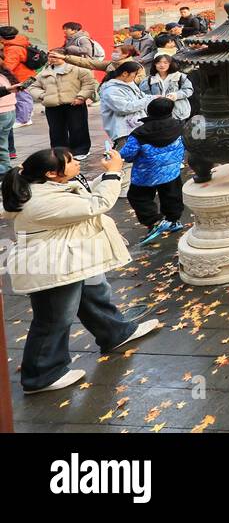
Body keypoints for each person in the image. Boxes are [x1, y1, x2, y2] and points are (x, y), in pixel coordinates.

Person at [1, 147, 162, 393]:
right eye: (70, 161)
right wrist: (114, 174)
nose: (77, 162)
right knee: (54, 317)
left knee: (92, 294)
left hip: (67, 257)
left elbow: (82, 197)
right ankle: (42, 375)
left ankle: (115, 333)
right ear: (52, 173)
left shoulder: (46, 186)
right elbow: (96, 204)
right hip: (50, 265)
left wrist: (106, 176)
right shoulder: (42, 201)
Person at [120, 97, 188, 245]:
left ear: (150, 111)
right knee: (172, 195)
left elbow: (127, 154)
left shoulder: (139, 133)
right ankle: (173, 220)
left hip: (146, 173)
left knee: (138, 197)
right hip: (172, 170)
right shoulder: (179, 125)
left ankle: (154, 221)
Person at [28, 53, 97, 159]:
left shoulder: (77, 69)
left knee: (78, 127)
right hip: (52, 105)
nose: (52, 59)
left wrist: (81, 97)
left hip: (74, 103)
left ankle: (80, 150)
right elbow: (32, 86)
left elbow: (89, 83)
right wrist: (43, 96)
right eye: (50, 57)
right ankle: (59, 152)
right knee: (56, 130)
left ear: (64, 56)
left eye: (55, 56)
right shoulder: (44, 72)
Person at [143, 53, 194, 119]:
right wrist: (153, 98)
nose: (162, 65)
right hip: (157, 114)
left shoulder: (180, 76)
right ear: (155, 64)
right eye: (158, 62)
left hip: (178, 112)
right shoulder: (149, 80)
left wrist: (176, 95)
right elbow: (143, 95)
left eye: (165, 63)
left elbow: (188, 89)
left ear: (170, 64)